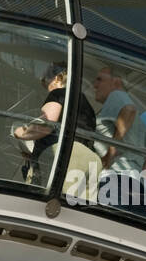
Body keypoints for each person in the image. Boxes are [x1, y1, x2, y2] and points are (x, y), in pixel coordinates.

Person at [14, 67, 101, 201]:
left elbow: (47, 123)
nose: (47, 89)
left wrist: (22, 133)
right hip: (91, 160)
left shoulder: (59, 93)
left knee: (52, 204)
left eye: (46, 82)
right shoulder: (86, 105)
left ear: (57, 78)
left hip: (67, 156)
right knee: (80, 211)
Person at [93, 66, 146, 215]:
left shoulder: (116, 95)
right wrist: (141, 178)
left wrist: (110, 153)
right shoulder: (138, 123)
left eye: (100, 79)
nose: (95, 84)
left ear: (116, 82)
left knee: (108, 227)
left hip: (114, 180)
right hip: (135, 186)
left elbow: (128, 110)